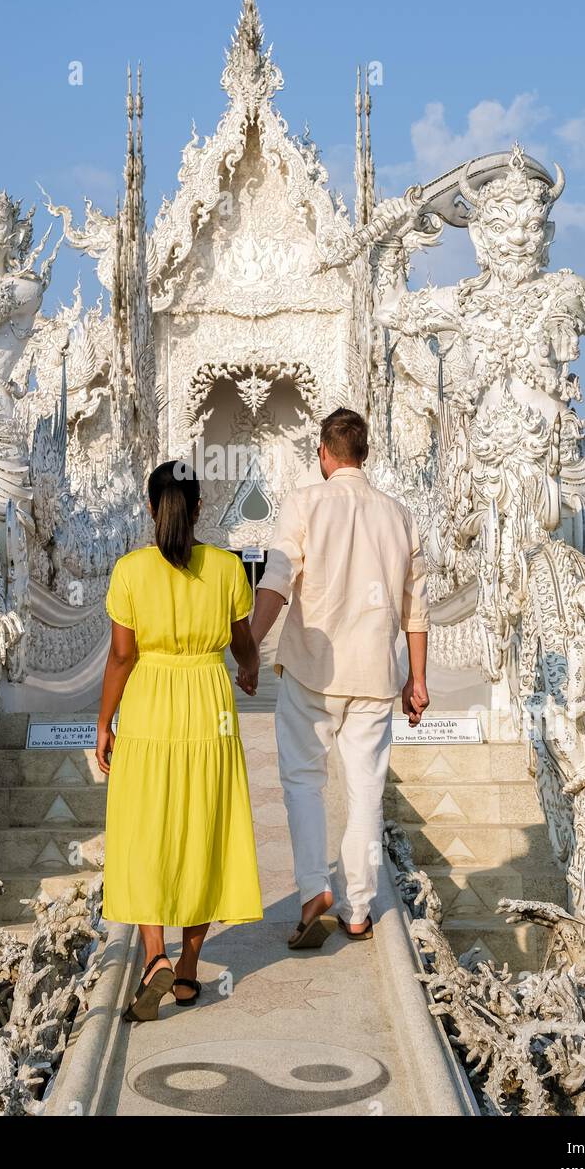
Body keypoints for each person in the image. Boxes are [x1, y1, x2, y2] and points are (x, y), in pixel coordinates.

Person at [247, 408, 430, 949]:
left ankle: (311, 891)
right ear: (364, 455)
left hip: (312, 672)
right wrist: (416, 681)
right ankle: (357, 908)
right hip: (375, 673)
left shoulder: (305, 503)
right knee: (366, 789)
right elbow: (415, 608)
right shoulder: (398, 515)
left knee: (305, 781)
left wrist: (250, 647)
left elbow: (277, 581)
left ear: (324, 455)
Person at [97, 460, 263, 1022]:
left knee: (146, 830)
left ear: (150, 507)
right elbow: (244, 643)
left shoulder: (129, 571)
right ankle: (189, 968)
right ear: (199, 508)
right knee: (203, 829)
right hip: (209, 705)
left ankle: (153, 957)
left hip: (148, 705)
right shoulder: (225, 568)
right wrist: (249, 669)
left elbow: (122, 656)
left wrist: (104, 722)